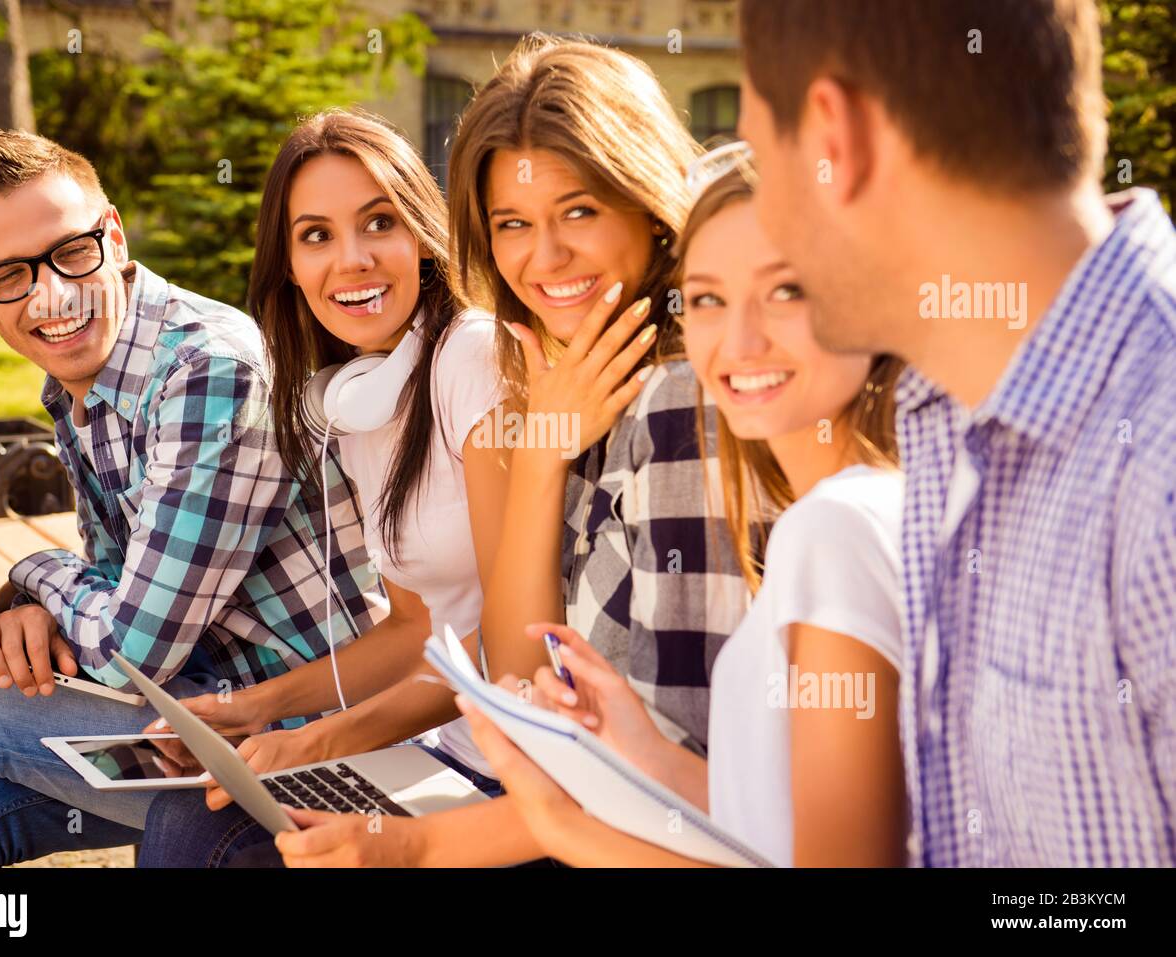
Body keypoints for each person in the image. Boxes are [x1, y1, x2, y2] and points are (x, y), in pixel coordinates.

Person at [206, 36, 749, 868]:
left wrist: (409, 841)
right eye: (513, 225)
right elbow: (523, 688)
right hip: (544, 793)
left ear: (648, 200)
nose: (546, 256)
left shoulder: (681, 403)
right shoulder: (571, 390)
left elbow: (668, 780)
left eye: (580, 211)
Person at [736, 0, 1176, 865]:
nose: (770, 224)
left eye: (759, 160)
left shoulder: (1157, 470)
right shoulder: (948, 406)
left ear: (836, 138)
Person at [0, 128, 385, 867]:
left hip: (311, 735)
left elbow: (128, 651)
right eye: (8, 275)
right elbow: (128, 594)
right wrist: (35, 612)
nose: (53, 294)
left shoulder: (208, 371)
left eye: (70, 252)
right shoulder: (85, 384)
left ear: (112, 235)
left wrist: (38, 572)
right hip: (189, 717)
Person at [458, 154, 909, 867]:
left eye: (787, 290)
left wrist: (558, 827)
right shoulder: (827, 517)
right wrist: (642, 747)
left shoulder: (836, 524)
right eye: (706, 300)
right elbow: (767, 821)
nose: (740, 340)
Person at [137, 109, 514, 866]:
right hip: (449, 749)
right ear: (289, 266)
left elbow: (511, 637)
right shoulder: (360, 398)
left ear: (421, 234)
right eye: (316, 235)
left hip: (515, 772)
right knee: (184, 823)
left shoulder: (473, 359)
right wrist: (249, 712)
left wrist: (324, 737)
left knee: (208, 842)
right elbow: (413, 630)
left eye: (379, 222)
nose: (353, 260)